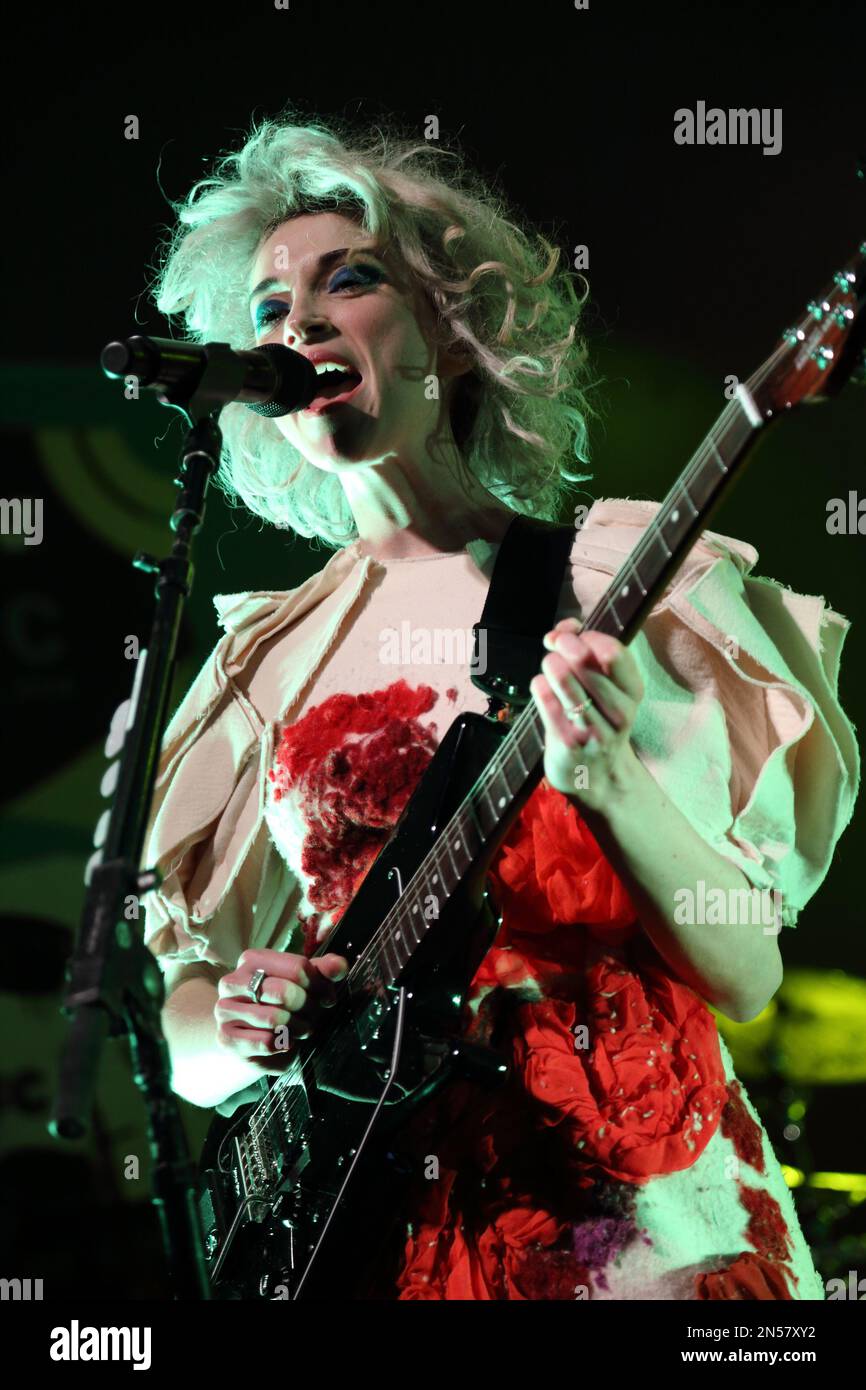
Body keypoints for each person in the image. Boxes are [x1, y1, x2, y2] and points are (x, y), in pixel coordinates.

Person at [141, 111, 859, 1300]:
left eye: (348, 280)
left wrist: (613, 784)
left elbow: (743, 971)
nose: (299, 322)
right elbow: (185, 1035)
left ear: (450, 330)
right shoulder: (264, 663)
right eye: (269, 308)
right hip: (385, 1234)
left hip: (647, 1226)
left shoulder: (612, 584)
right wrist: (237, 1025)